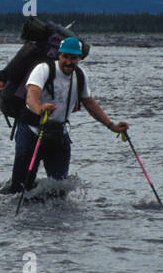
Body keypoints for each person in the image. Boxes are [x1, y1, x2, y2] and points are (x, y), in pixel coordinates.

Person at [9, 36, 129, 193]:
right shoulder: (43, 69)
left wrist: (112, 126)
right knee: (20, 189)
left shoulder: (80, 76)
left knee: (59, 189)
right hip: (31, 133)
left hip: (58, 135)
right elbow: (31, 95)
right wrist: (40, 109)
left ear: (79, 58)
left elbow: (90, 103)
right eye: (65, 56)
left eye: (73, 58)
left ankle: (54, 216)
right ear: (59, 55)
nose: (68, 61)